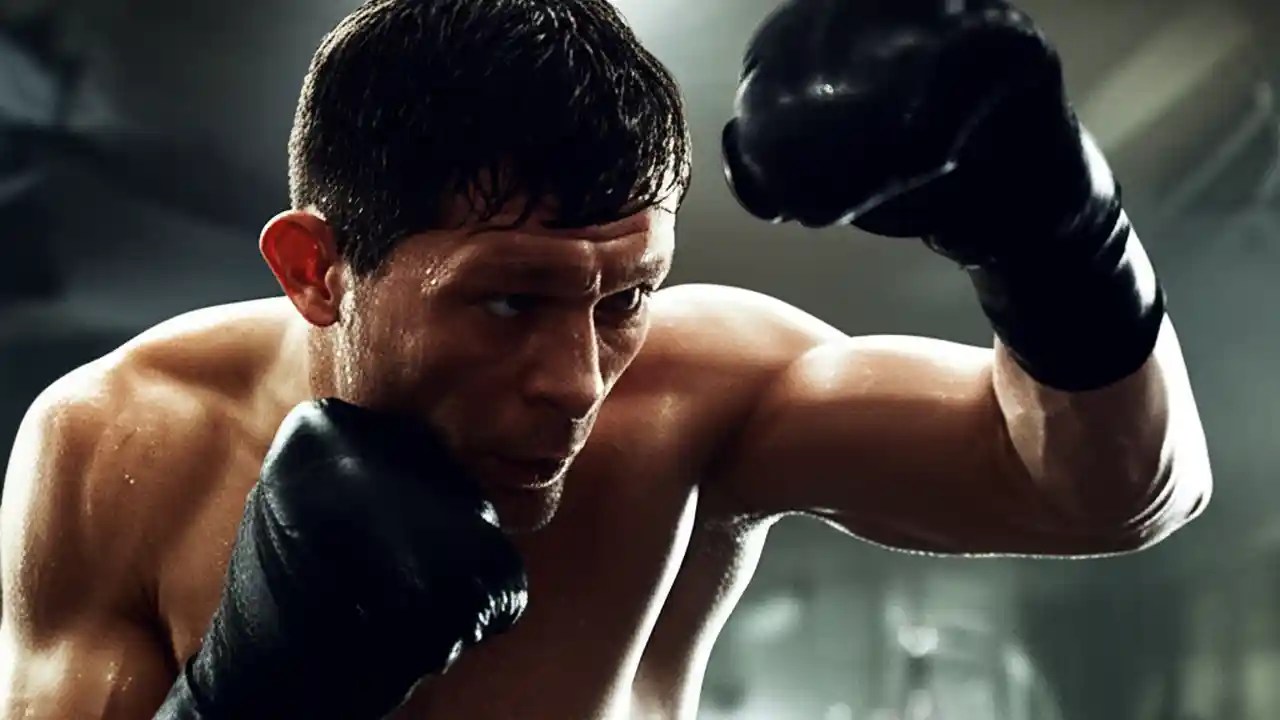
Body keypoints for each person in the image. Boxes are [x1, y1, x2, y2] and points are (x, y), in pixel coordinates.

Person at [0, 0, 1213, 718]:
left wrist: (1052, 225)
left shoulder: (699, 390)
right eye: (508, 301)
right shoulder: (121, 439)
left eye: (626, 295)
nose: (581, 381)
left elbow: (1111, 493)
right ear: (317, 269)